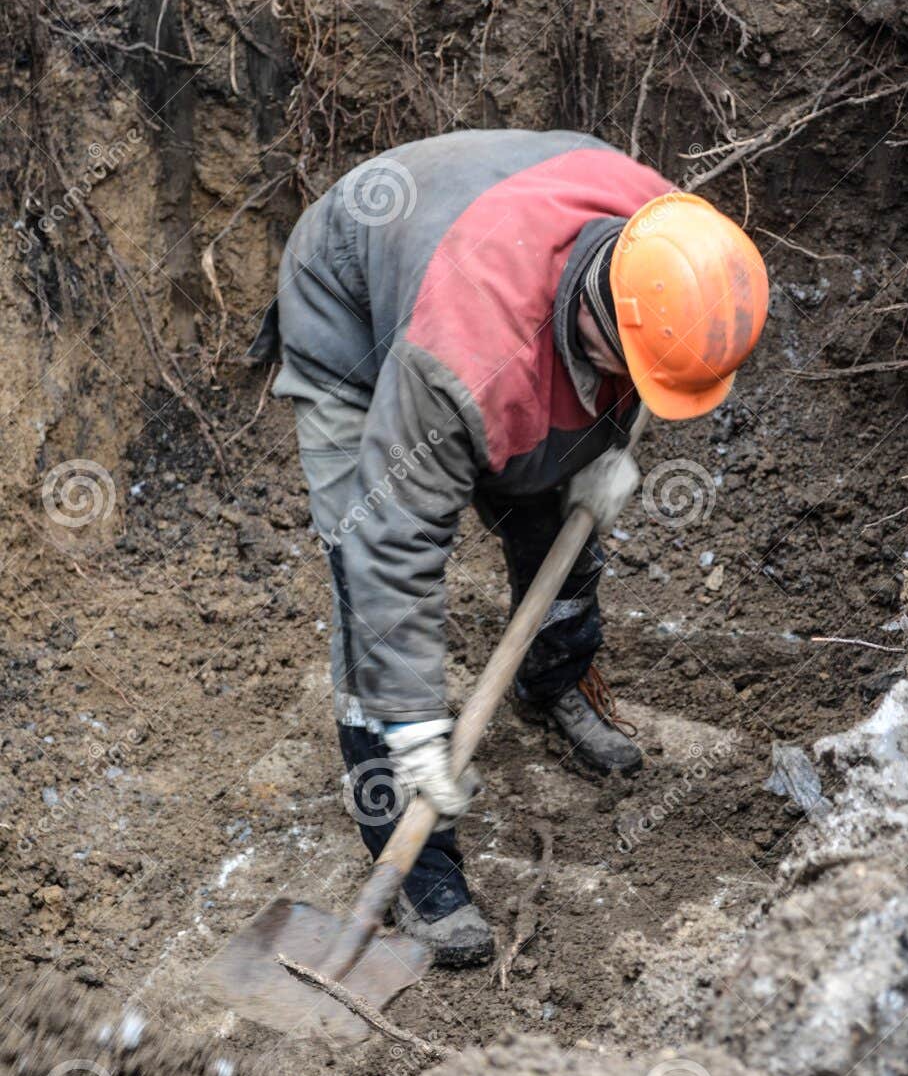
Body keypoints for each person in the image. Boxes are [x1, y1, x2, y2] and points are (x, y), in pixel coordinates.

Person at [250, 129, 768, 968]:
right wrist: (415, 722)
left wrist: (613, 448)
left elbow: (654, 363)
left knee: (553, 501)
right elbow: (395, 546)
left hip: (486, 244)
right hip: (352, 291)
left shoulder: (676, 249)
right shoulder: (463, 358)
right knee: (363, 561)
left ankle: (554, 680)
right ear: (606, 326)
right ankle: (408, 843)